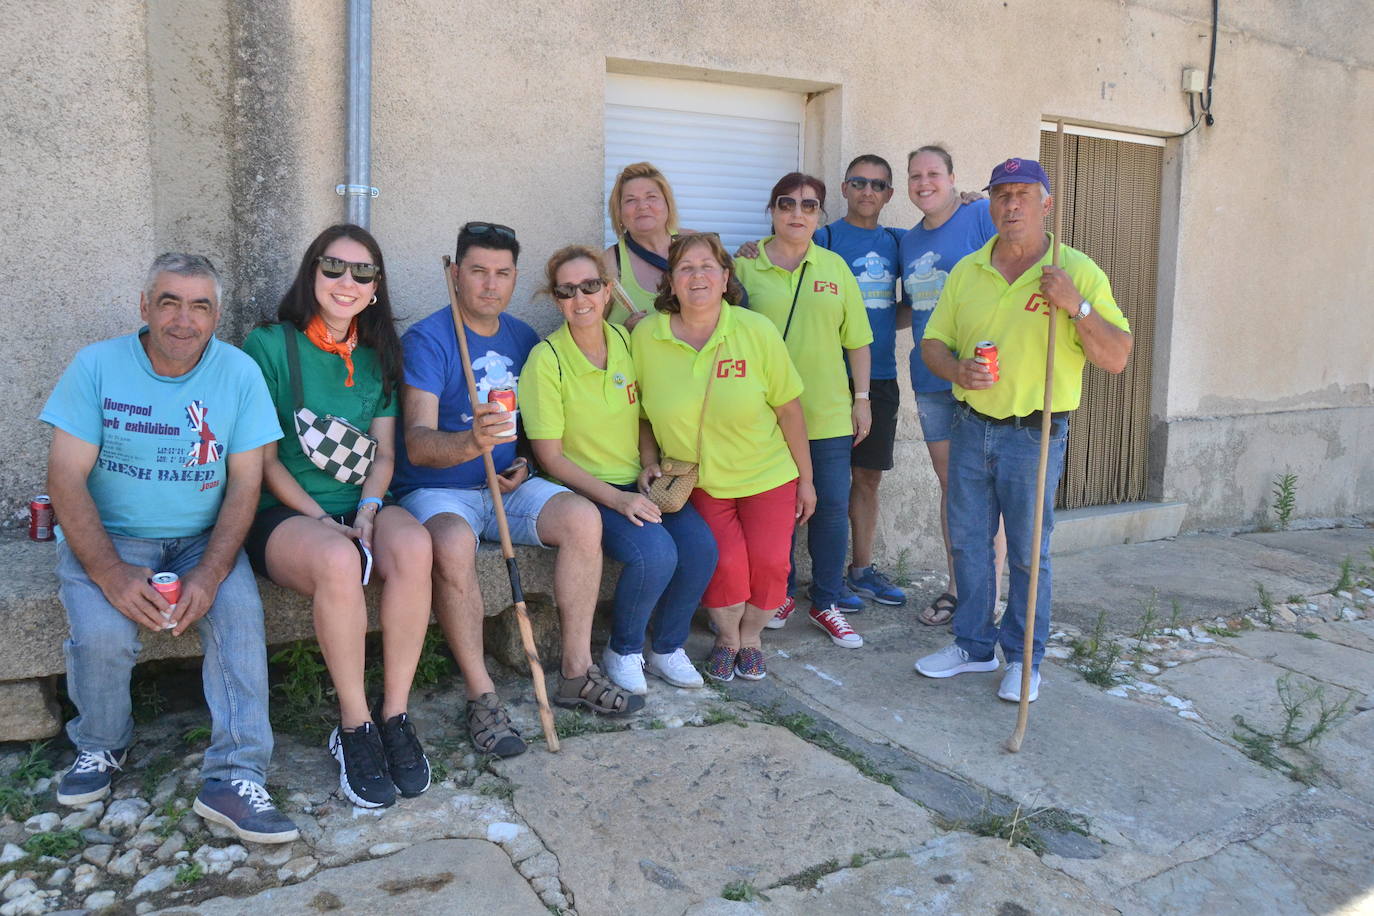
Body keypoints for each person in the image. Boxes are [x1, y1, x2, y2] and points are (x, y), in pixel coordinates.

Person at [41, 253, 298, 843]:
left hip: (203, 539)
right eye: (170, 302)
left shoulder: (236, 373)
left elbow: (246, 482)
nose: (184, 319)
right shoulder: (97, 366)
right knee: (103, 633)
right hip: (112, 535)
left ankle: (236, 775)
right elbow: (64, 477)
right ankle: (101, 745)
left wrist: (211, 571)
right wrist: (107, 569)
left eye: (200, 306)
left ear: (216, 316)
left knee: (237, 617)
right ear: (145, 308)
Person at [394, 222, 643, 759]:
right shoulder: (428, 339)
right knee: (454, 545)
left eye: (503, 273)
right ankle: (482, 696)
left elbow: (532, 432)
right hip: (441, 491)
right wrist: (468, 444)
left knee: (582, 519)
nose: (490, 285)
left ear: (514, 279)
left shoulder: (523, 339)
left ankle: (576, 671)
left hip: (506, 488)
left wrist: (525, 464)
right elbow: (416, 443)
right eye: (479, 272)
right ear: (456, 274)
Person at [914, 158, 1132, 703]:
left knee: (1030, 554)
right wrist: (955, 369)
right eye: (1002, 195)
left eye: (1023, 195)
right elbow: (933, 342)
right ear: (989, 203)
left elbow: (1117, 357)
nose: (1011, 205)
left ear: (1046, 204)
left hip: (1035, 434)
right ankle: (973, 645)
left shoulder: (1075, 269)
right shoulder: (969, 270)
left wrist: (1075, 306)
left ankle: (1024, 659)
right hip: (970, 426)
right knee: (968, 544)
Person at [241, 225, 433, 809]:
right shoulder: (269, 345)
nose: (347, 281)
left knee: (416, 546)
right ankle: (353, 726)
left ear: (376, 289)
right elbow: (266, 461)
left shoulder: (378, 355)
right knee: (336, 558)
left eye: (362, 272)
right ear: (311, 274)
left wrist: (372, 508)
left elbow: (385, 453)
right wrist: (324, 520)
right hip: (286, 514)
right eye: (334, 267)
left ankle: (394, 715)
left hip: (361, 503)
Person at [522, 246, 718, 694]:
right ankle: (623, 650)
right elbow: (551, 458)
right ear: (556, 300)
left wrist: (649, 465)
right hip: (583, 491)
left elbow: (644, 416)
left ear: (608, 290)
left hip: (635, 480)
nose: (581, 298)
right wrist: (617, 499)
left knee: (702, 547)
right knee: (655, 554)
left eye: (590, 286)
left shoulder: (627, 341)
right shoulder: (547, 360)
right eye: (567, 291)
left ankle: (667, 646)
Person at [631, 233, 814, 681]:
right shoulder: (645, 337)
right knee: (726, 565)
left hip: (768, 473)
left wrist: (806, 481)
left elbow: (789, 410)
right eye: (686, 268)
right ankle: (727, 636)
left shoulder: (756, 330)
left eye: (707, 266)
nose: (697, 276)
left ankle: (751, 637)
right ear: (670, 282)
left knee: (772, 564)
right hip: (700, 481)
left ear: (725, 277)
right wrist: (649, 457)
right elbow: (638, 412)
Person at [734, 173, 873, 649]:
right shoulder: (744, 267)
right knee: (779, 513)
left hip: (829, 415)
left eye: (809, 206)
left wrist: (862, 400)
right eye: (787, 204)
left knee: (831, 510)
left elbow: (857, 341)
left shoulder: (835, 268)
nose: (797, 213)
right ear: (771, 210)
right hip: (766, 420)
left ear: (820, 215)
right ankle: (781, 594)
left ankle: (827, 602)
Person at [902, 145, 1007, 627]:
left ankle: (990, 594)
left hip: (982, 375)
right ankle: (957, 586)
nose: (924, 183)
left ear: (952, 178)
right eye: (916, 176)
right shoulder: (905, 241)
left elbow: (1014, 272)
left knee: (985, 488)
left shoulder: (980, 214)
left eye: (934, 174)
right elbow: (911, 307)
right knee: (952, 486)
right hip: (930, 376)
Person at [602, 162, 686, 328]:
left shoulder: (693, 243)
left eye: (651, 197)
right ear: (619, 211)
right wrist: (624, 333)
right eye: (631, 200)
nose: (642, 206)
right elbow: (587, 335)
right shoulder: (608, 263)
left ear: (667, 204)